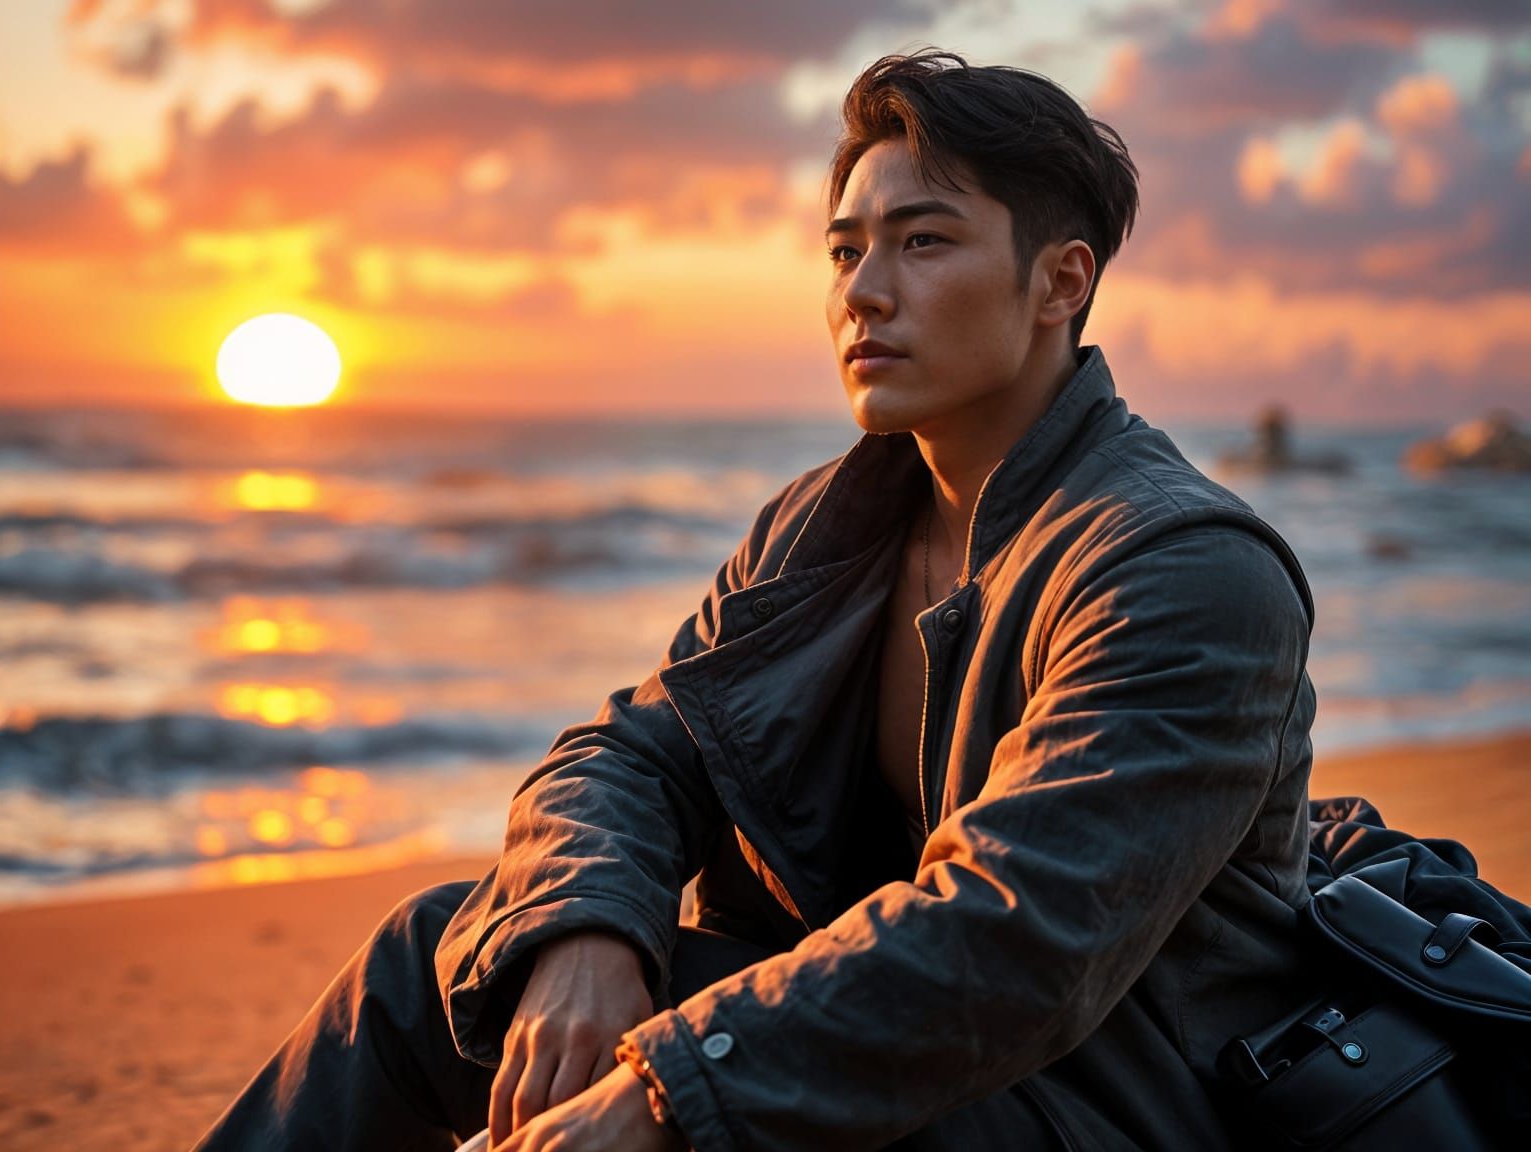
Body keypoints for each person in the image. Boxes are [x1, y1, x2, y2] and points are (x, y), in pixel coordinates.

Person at [194, 49, 1319, 1152]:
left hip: (1096, 1105)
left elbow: (1018, 939)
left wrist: (663, 1094)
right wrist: (586, 930)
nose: (864, 292)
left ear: (1061, 283)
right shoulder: (822, 527)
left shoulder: (1181, 568)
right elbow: (633, 753)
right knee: (436, 959)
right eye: (845, 251)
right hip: (870, 1059)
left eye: (923, 241)